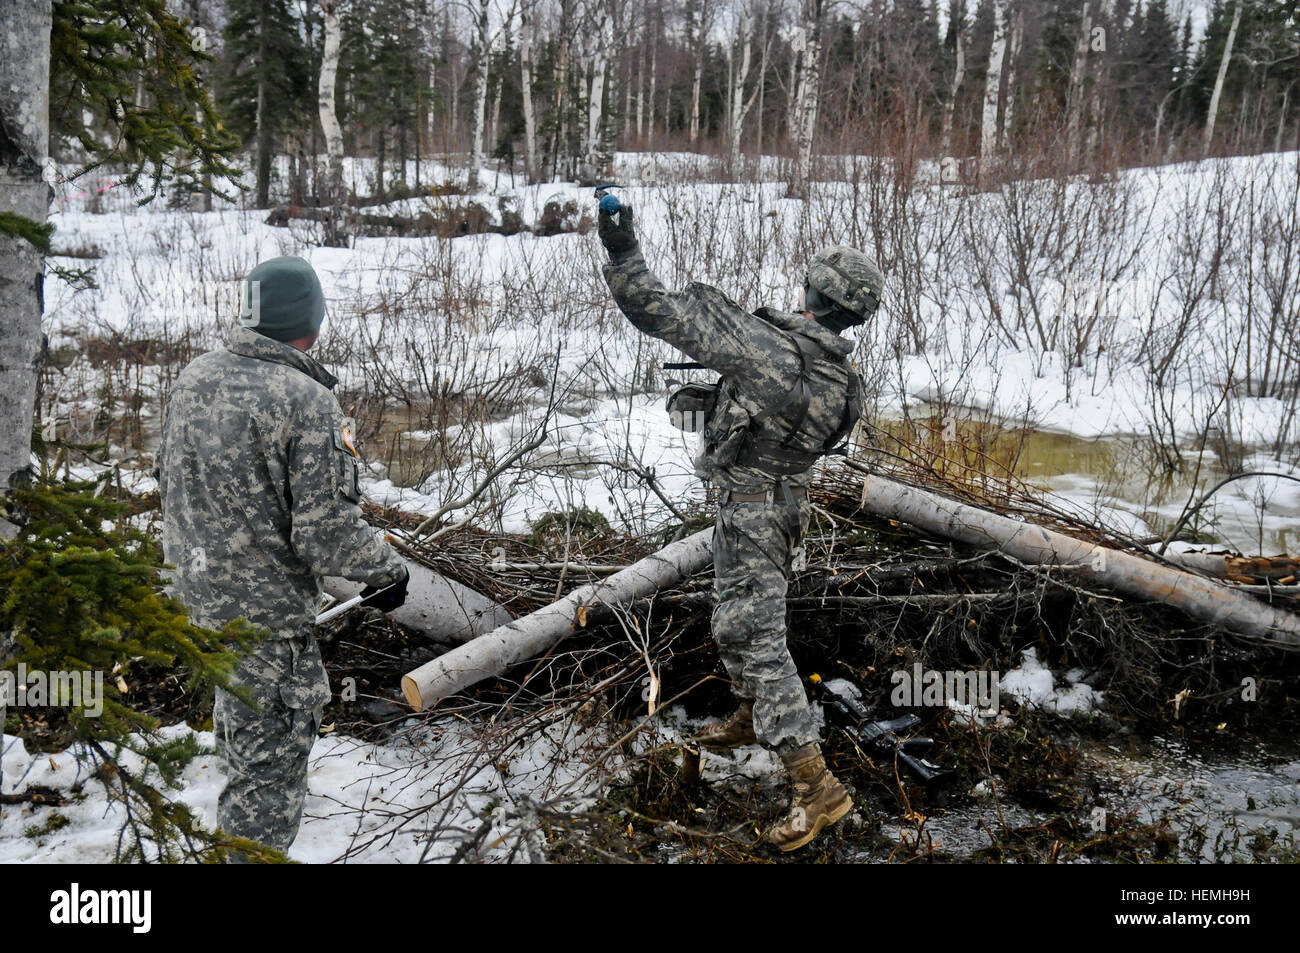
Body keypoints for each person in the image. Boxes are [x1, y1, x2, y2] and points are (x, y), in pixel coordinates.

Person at [598, 205, 883, 852]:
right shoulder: (841, 377)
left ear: (815, 294)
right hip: (780, 506)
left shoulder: (770, 349)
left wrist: (620, 244)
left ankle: (817, 788)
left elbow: (652, 307)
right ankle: (756, 715)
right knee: (737, 621)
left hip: (753, 508)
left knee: (758, 642)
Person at [156, 255, 409, 857]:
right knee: (266, 786)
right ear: (311, 321)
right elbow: (325, 534)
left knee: (245, 753)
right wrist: (387, 571)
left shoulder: (196, 376)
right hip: (265, 624)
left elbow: (167, 478)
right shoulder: (305, 400)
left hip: (198, 605)